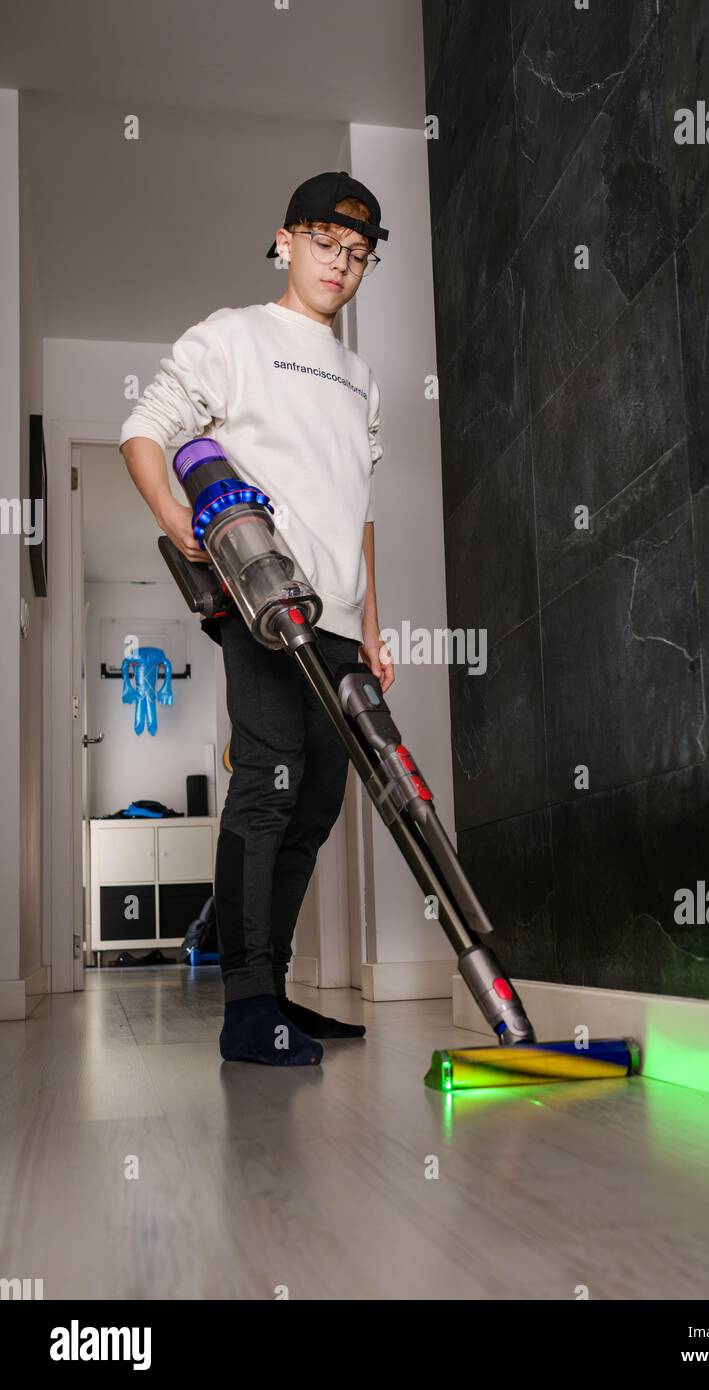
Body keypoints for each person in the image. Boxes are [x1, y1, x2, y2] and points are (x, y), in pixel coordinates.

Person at [119, 171, 393, 1068]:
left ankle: (275, 990)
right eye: (326, 242)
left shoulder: (362, 380)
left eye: (358, 254)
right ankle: (245, 1005)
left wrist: (375, 626)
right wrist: (177, 521)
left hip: (341, 622)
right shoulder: (233, 336)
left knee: (316, 804)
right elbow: (146, 428)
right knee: (269, 784)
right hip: (266, 606)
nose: (340, 264)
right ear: (284, 240)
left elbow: (359, 511)